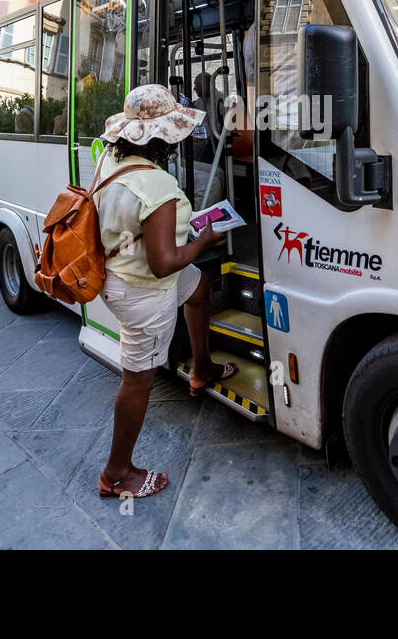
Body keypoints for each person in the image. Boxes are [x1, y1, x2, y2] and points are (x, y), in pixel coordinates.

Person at [93, 84, 237, 499]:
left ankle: (202, 368)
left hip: (119, 273)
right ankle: (117, 473)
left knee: (199, 287)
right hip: (143, 290)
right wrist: (203, 241)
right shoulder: (158, 187)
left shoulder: (110, 162)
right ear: (163, 137)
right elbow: (164, 263)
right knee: (137, 381)